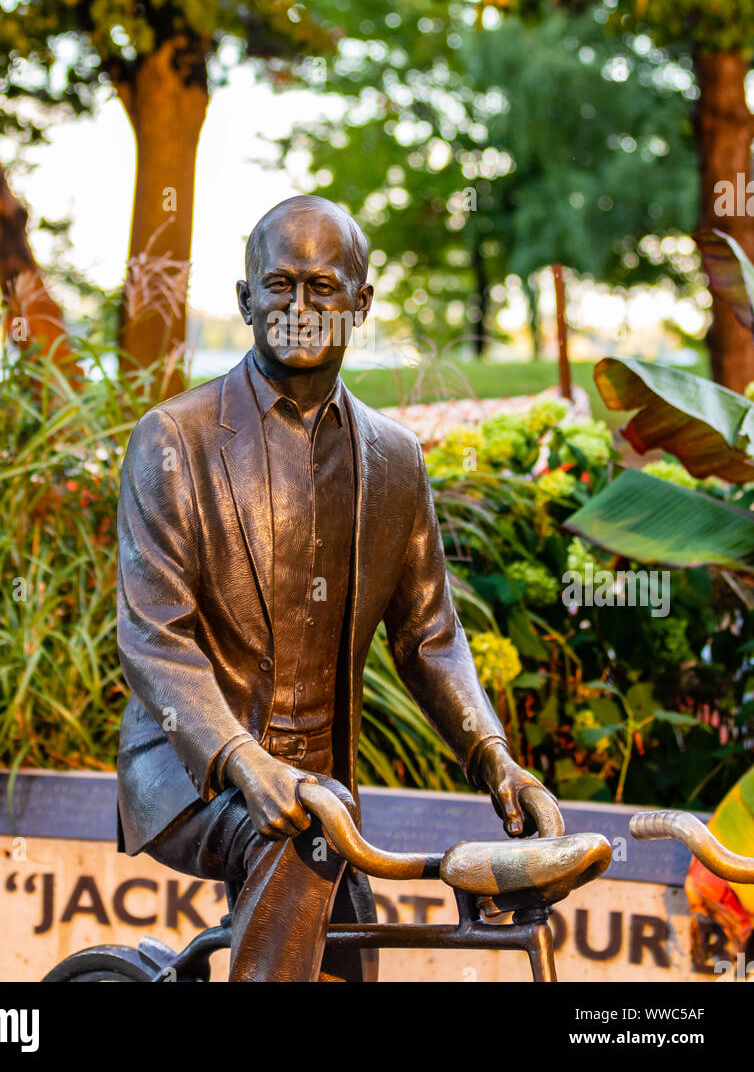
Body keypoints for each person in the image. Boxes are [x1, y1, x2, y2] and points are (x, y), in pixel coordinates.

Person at [115, 194, 559, 981]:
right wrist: (244, 761)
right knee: (300, 844)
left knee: (349, 959)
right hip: (194, 775)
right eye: (279, 284)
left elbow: (430, 637)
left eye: (322, 287)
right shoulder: (175, 438)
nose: (298, 306)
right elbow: (155, 637)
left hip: (327, 795)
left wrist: (497, 760)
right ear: (245, 298)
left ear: (362, 301)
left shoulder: (394, 460)